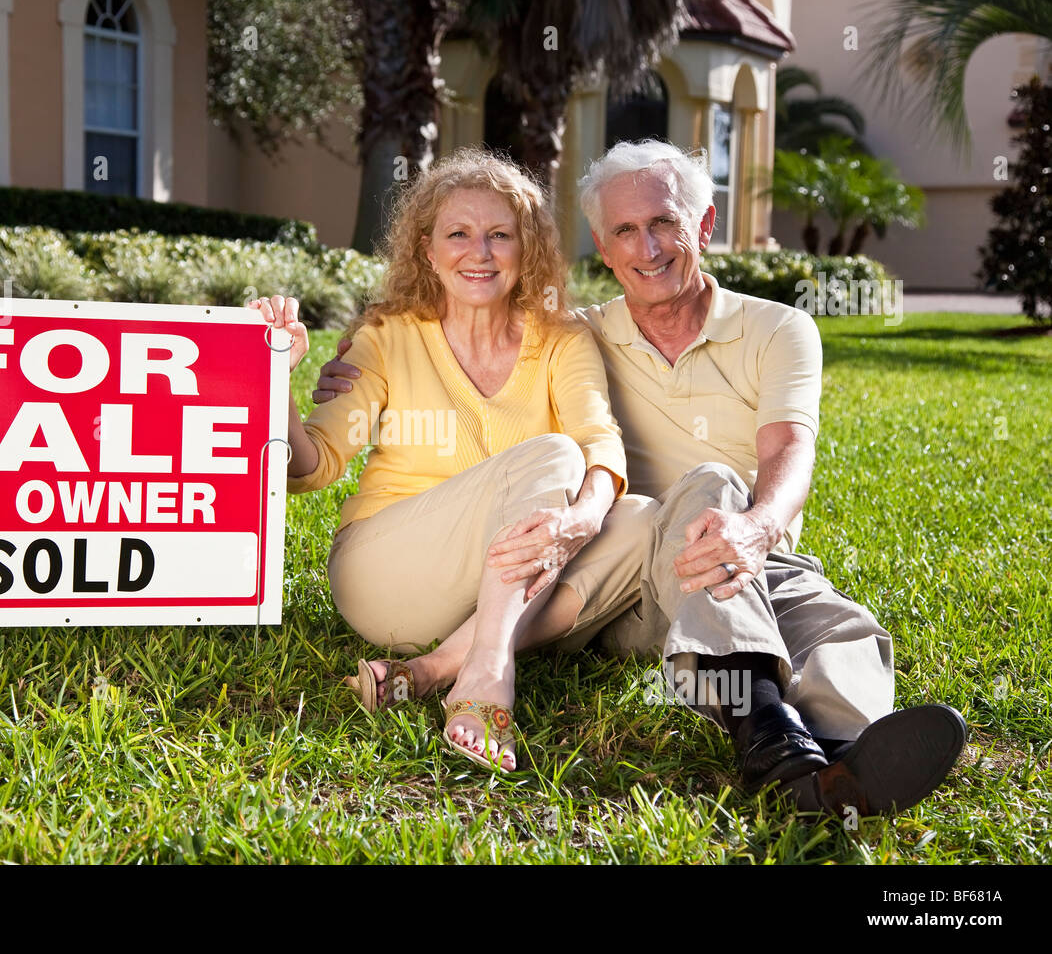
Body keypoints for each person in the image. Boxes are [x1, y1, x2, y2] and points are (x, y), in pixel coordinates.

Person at [313, 139, 966, 816]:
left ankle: (835, 764)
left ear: (704, 227)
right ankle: (782, 750)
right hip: (627, 578)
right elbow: (492, 337)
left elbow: (789, 451)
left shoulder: (779, 328)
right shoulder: (582, 332)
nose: (646, 248)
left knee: (841, 629)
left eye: (663, 223)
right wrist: (343, 360)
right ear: (603, 244)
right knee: (702, 484)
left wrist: (756, 528)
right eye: (625, 230)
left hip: (744, 551)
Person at [253, 148, 656, 772]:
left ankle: (439, 667)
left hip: (496, 583)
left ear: (527, 248)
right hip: (386, 574)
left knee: (642, 520)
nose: (481, 253)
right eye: (458, 234)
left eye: (501, 235)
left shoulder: (563, 338)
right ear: (426, 249)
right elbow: (312, 467)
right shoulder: (385, 338)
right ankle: (490, 671)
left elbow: (599, 441)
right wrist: (274, 378)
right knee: (553, 455)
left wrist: (582, 519)